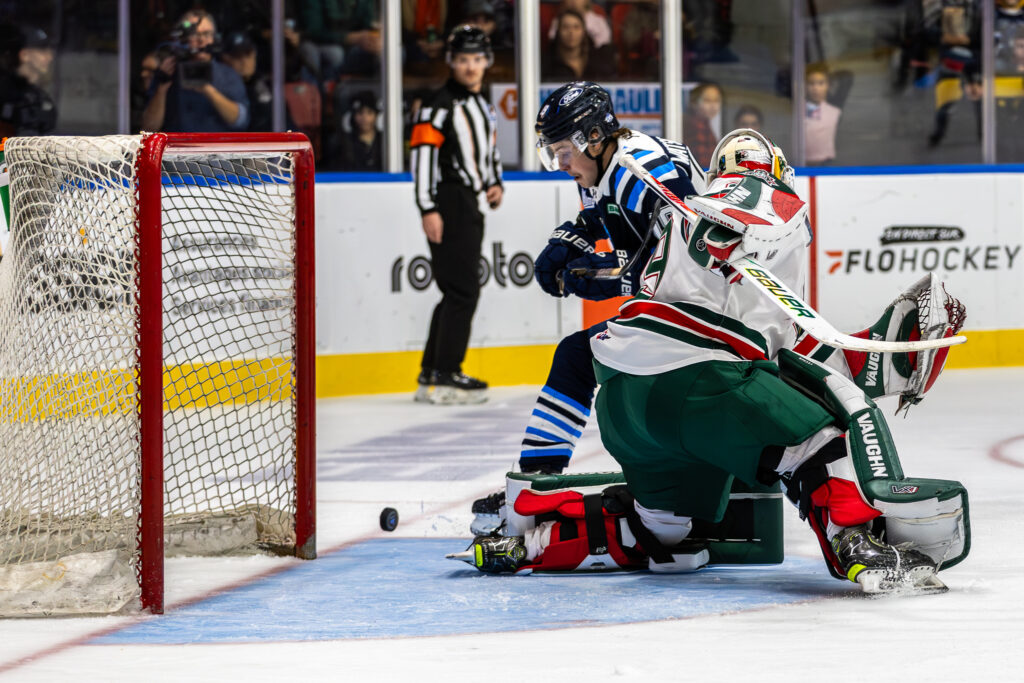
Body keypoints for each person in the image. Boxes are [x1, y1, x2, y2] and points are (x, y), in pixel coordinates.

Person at [458, 130, 970, 595]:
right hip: (696, 382)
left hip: (623, 398)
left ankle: (530, 543)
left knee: (660, 530)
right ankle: (856, 547)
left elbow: (789, 350)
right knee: (818, 441)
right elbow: (747, 206)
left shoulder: (681, 226)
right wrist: (733, 222)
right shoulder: (756, 195)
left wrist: (878, 360)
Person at [468, 81, 708, 532]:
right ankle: (537, 479)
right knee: (580, 357)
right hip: (680, 310)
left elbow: (694, 253)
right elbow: (600, 215)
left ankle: (537, 480)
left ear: (593, 137)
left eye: (563, 152)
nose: (561, 165)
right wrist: (567, 243)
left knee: (578, 358)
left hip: (706, 317)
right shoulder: (608, 165)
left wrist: (611, 274)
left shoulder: (642, 172)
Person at [410, 25, 503, 405]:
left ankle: (432, 372)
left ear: (487, 62)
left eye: (476, 59)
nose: (470, 66)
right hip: (449, 201)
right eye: (463, 59)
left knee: (455, 290)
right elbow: (421, 158)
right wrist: (427, 207)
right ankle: (447, 374)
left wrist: (494, 181)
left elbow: (487, 152)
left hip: (469, 200)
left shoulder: (482, 105)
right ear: (451, 62)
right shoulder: (437, 104)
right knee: (463, 290)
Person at [141, 9, 250, 133]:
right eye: (195, 34)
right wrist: (162, 88)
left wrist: (207, 89)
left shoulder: (228, 74)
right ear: (182, 38)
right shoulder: (169, 73)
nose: (201, 40)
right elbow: (148, 128)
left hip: (215, 150)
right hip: (176, 150)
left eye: (207, 34)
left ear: (214, 38)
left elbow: (241, 121)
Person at [0, 24, 57, 137]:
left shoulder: (38, 95)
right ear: (24, 55)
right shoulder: (5, 92)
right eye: (42, 51)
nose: (49, 57)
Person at [541, 9, 617, 82]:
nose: (571, 32)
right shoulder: (547, 63)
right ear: (558, 32)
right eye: (565, 27)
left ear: (584, 31)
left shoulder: (597, 60)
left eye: (576, 27)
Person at [220, 31, 274, 132]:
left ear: (254, 54)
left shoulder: (267, 83)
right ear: (225, 59)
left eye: (247, 54)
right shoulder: (220, 88)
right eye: (237, 56)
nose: (244, 61)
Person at [805, 62, 841, 163]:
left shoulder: (835, 112)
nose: (815, 88)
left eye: (821, 83)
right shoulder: (797, 112)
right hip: (802, 165)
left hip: (827, 166)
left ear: (828, 85)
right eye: (811, 83)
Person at [683, 82, 723, 168]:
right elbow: (704, 162)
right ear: (694, 103)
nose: (713, 106)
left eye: (716, 100)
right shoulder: (694, 126)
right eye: (707, 101)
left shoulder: (705, 125)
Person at [340, 90, 382, 171]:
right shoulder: (346, 144)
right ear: (353, 116)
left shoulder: (385, 142)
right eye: (360, 113)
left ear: (376, 116)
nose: (364, 118)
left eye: (369, 113)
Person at [546, 0, 613, 50]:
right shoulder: (557, 21)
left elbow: (604, 46)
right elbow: (554, 43)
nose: (573, 1)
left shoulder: (599, 22)